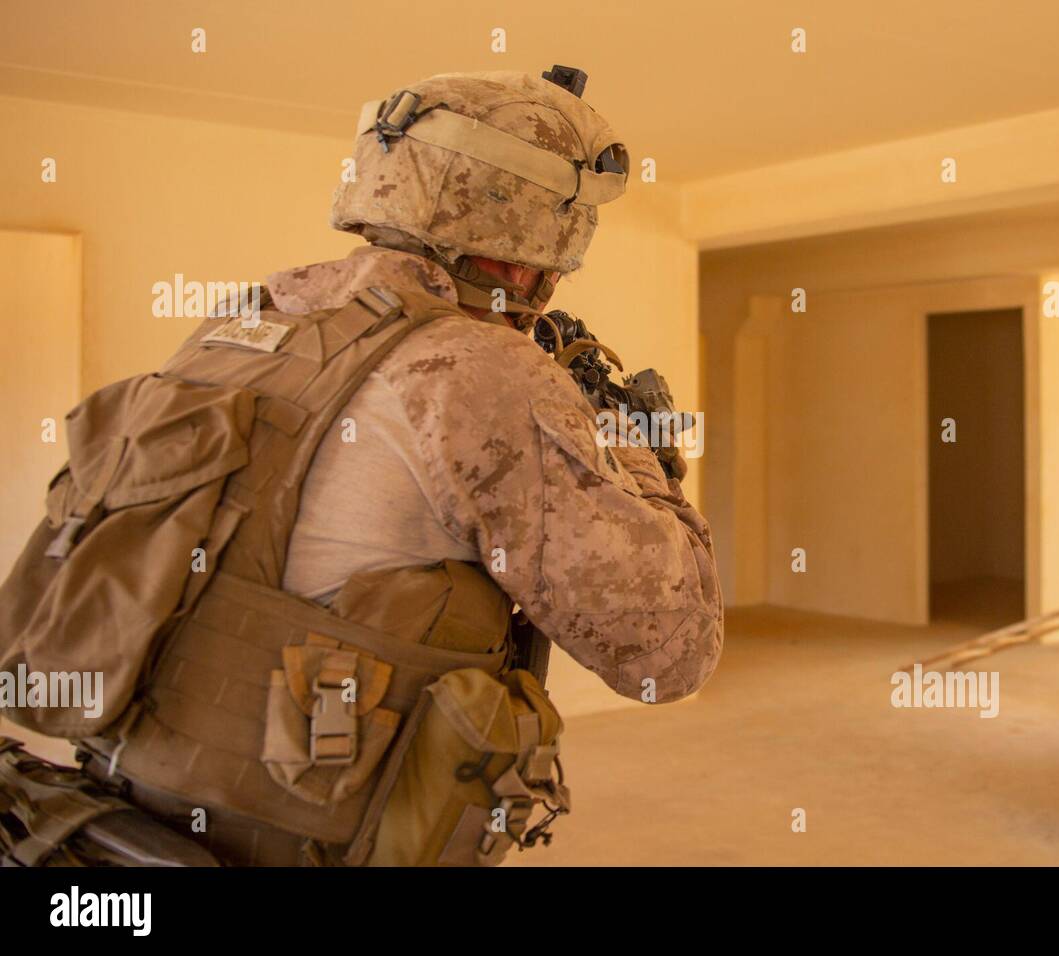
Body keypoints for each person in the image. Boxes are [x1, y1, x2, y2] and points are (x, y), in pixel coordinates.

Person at [0, 68, 723, 867]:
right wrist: (641, 454)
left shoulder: (251, 319)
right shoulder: (482, 367)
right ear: (534, 257)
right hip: (289, 841)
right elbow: (669, 654)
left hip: (116, 815)